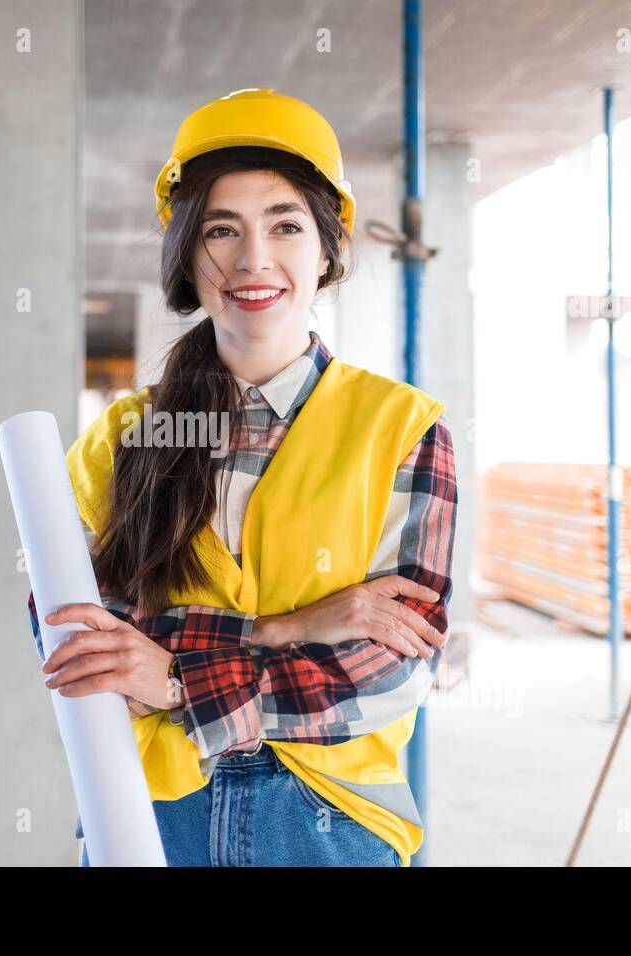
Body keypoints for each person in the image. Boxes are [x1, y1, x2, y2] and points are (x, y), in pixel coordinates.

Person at [28, 88, 458, 867]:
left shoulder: (401, 428)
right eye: (221, 231)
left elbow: (391, 669)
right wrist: (288, 628)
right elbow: (72, 635)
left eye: (285, 226)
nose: (253, 259)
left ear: (327, 251)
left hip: (328, 819)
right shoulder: (128, 436)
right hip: (148, 811)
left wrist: (177, 680)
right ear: (189, 259)